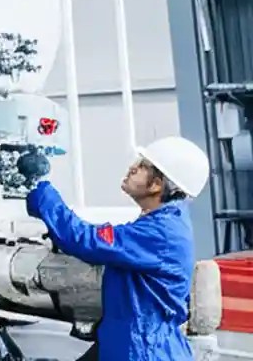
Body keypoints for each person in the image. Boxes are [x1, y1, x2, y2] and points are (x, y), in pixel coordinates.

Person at [25, 136, 211, 361]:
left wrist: (44, 194)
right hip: (137, 341)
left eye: (142, 166)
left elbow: (85, 240)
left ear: (158, 184)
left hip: (141, 349)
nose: (132, 168)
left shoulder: (160, 232)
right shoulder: (163, 221)